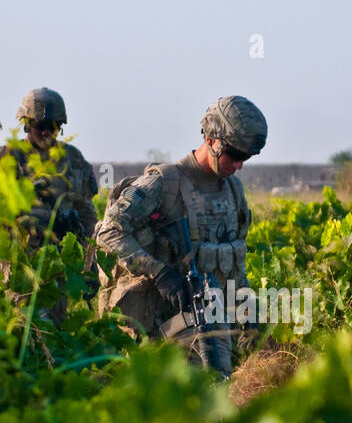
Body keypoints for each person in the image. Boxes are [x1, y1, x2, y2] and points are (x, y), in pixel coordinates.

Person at [94, 95, 267, 376]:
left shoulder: (233, 190)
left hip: (212, 321)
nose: (239, 165)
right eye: (234, 154)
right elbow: (109, 231)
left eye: (246, 157)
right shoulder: (164, 182)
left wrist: (250, 316)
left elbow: (234, 262)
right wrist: (160, 273)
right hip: (158, 324)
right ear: (211, 139)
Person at [0, 87, 98, 246]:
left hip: (62, 257)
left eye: (53, 126)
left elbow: (87, 214)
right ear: (27, 124)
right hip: (15, 257)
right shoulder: (4, 157)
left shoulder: (73, 158)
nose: (46, 132)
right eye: (40, 126)